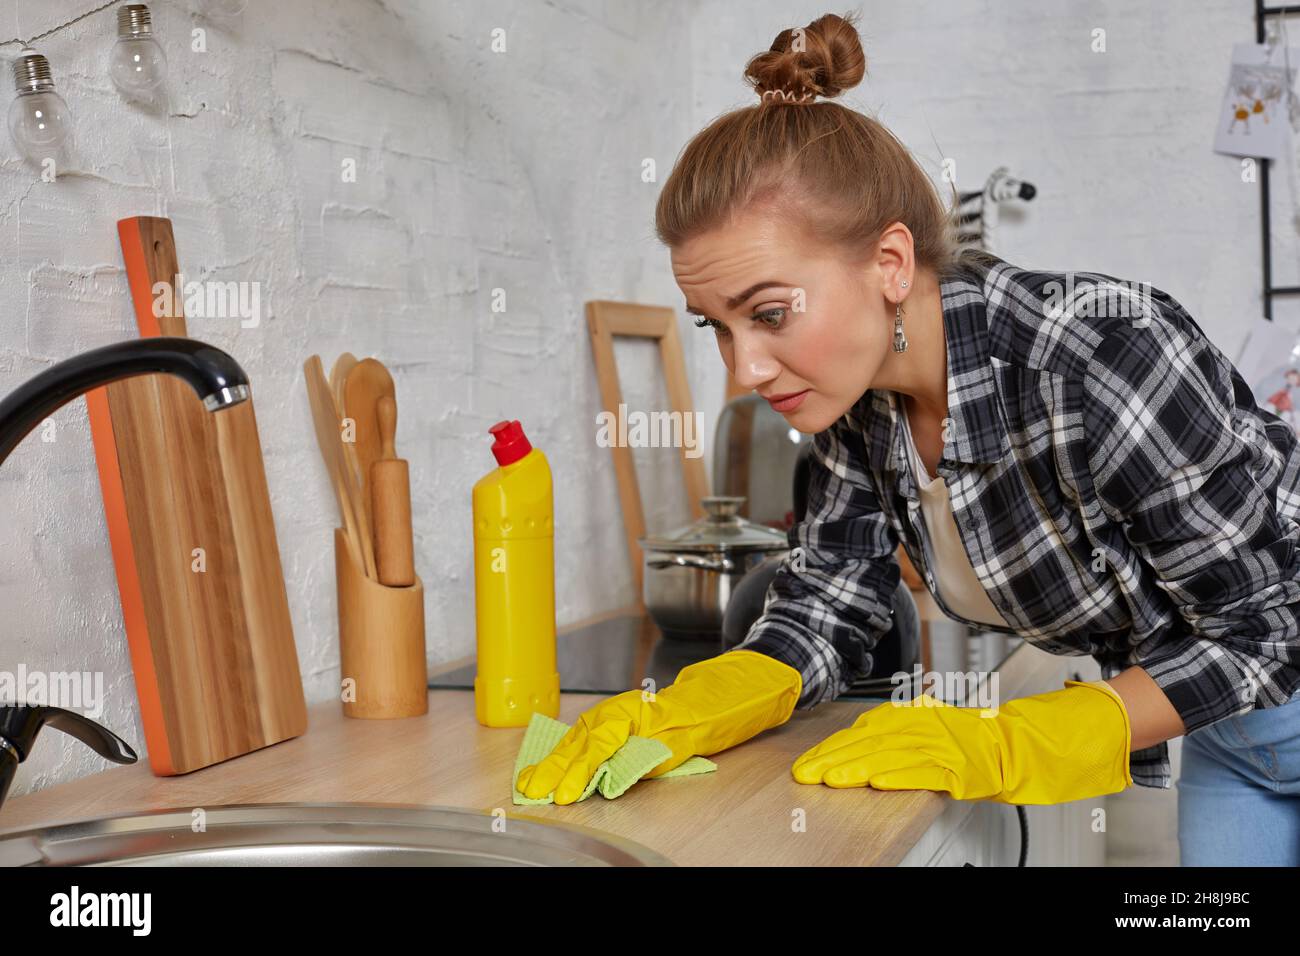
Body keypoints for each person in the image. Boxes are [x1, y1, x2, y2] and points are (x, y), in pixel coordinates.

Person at [517, 11, 1300, 866]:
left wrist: (1018, 742)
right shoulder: (858, 405)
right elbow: (831, 600)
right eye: (716, 325)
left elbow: (1270, 627)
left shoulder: (1099, 352)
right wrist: (693, 704)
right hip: (1231, 730)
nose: (745, 368)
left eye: (771, 314)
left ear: (890, 264)